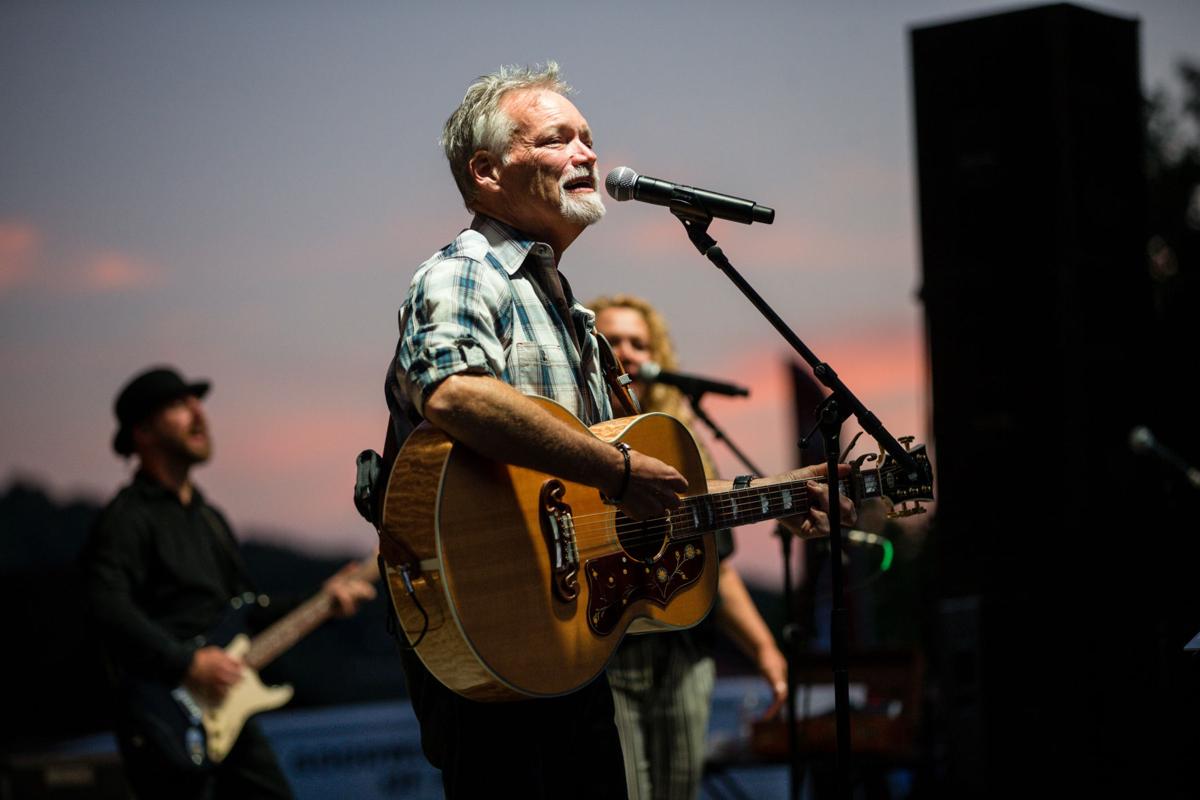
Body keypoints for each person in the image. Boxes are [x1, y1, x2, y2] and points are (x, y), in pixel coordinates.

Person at [385, 62, 854, 798]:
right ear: (485, 171)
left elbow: (617, 497)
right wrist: (619, 470)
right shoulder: (466, 271)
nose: (588, 156)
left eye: (589, 139)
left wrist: (778, 494)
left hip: (567, 647)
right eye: (557, 139)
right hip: (492, 631)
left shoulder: (569, 313)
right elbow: (452, 392)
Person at [84, 366, 375, 799]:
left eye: (196, 402)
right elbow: (105, 606)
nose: (198, 412)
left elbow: (245, 609)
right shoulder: (126, 519)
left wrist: (322, 599)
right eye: (179, 405)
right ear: (142, 432)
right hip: (165, 719)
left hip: (227, 710)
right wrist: (187, 664)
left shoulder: (210, 519)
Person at [593, 294, 789, 799]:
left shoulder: (686, 449)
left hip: (684, 655)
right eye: (613, 341)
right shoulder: (576, 443)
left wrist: (766, 652)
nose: (628, 352)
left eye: (640, 343)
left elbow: (718, 570)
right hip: (606, 657)